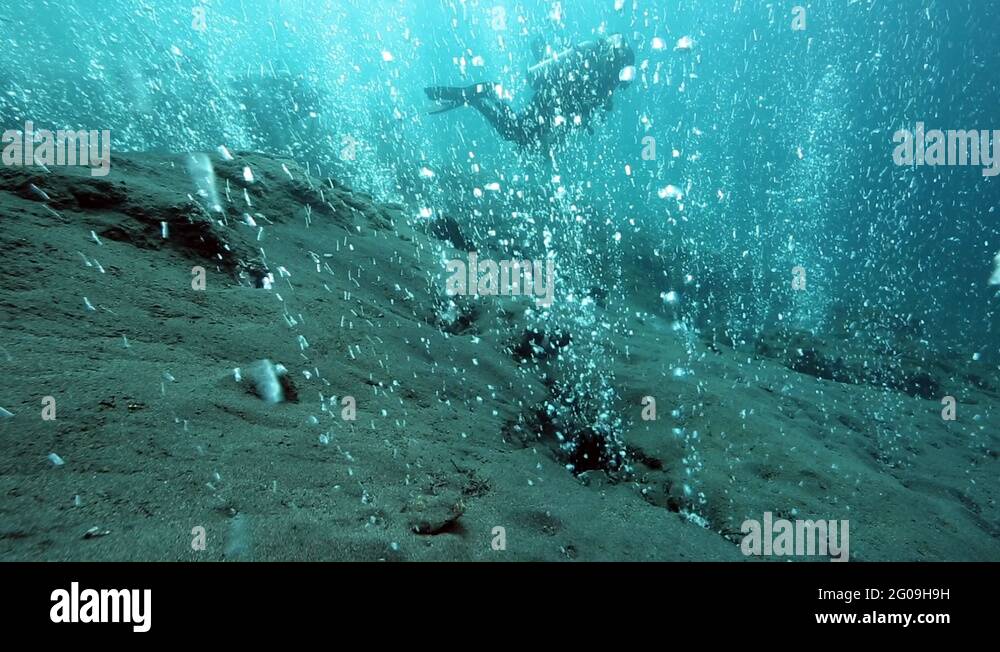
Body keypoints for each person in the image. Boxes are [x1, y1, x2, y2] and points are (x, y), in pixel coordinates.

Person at [425, 34, 635, 150]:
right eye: (621, 75)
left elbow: (577, 115)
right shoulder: (598, 73)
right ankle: (485, 93)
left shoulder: (603, 82)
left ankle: (479, 97)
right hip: (549, 103)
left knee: (515, 133)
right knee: (513, 133)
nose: (619, 82)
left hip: (552, 109)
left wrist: (554, 139)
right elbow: (574, 104)